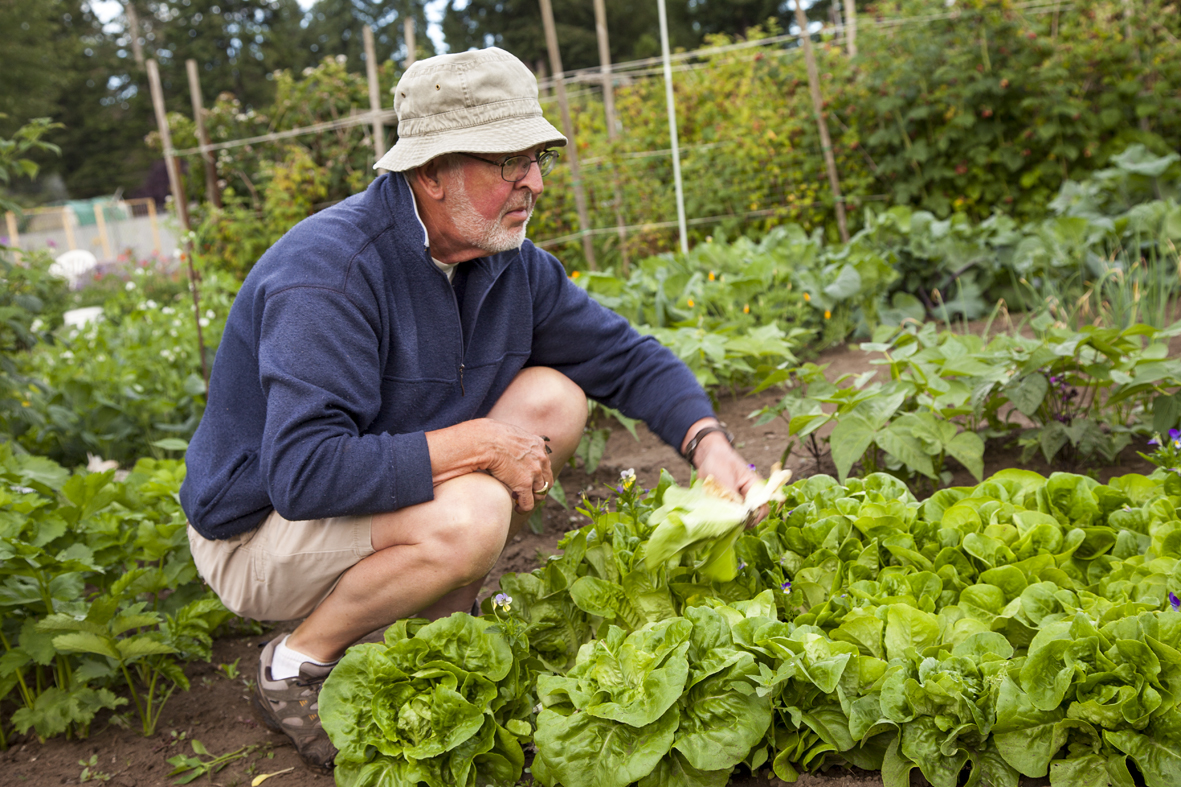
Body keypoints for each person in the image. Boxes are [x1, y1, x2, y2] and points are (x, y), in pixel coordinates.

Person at [179, 47, 762, 770]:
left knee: (554, 398)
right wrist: (481, 444)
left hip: (361, 499)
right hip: (258, 531)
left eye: (538, 158)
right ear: (430, 172)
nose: (534, 182)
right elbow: (303, 473)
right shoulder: (330, 273)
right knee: (475, 510)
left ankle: (439, 634)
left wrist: (708, 443)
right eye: (507, 162)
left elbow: (623, 356)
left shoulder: (505, 262)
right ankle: (296, 664)